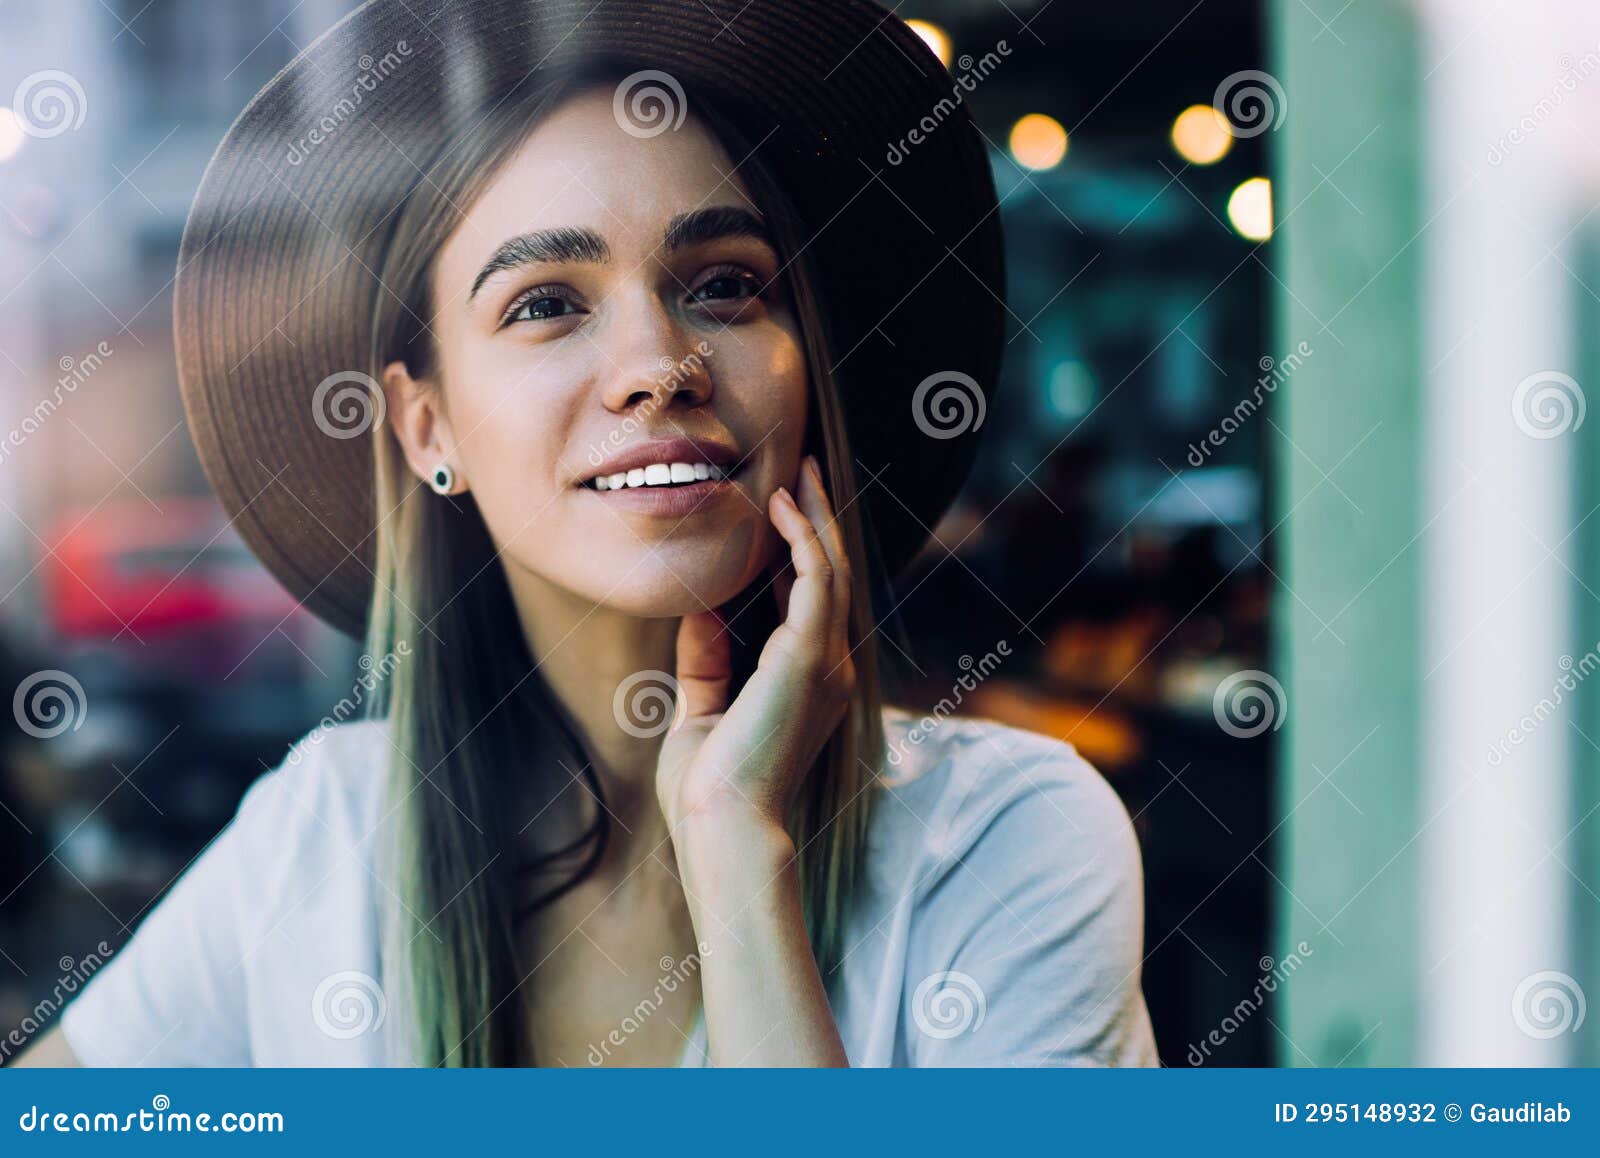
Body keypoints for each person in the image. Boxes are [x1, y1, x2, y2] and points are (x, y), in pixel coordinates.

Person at [16, 0, 1156, 1067]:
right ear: (426, 427)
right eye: (545, 302)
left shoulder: (1004, 842)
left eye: (723, 284)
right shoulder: (325, 837)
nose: (661, 365)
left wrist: (735, 847)